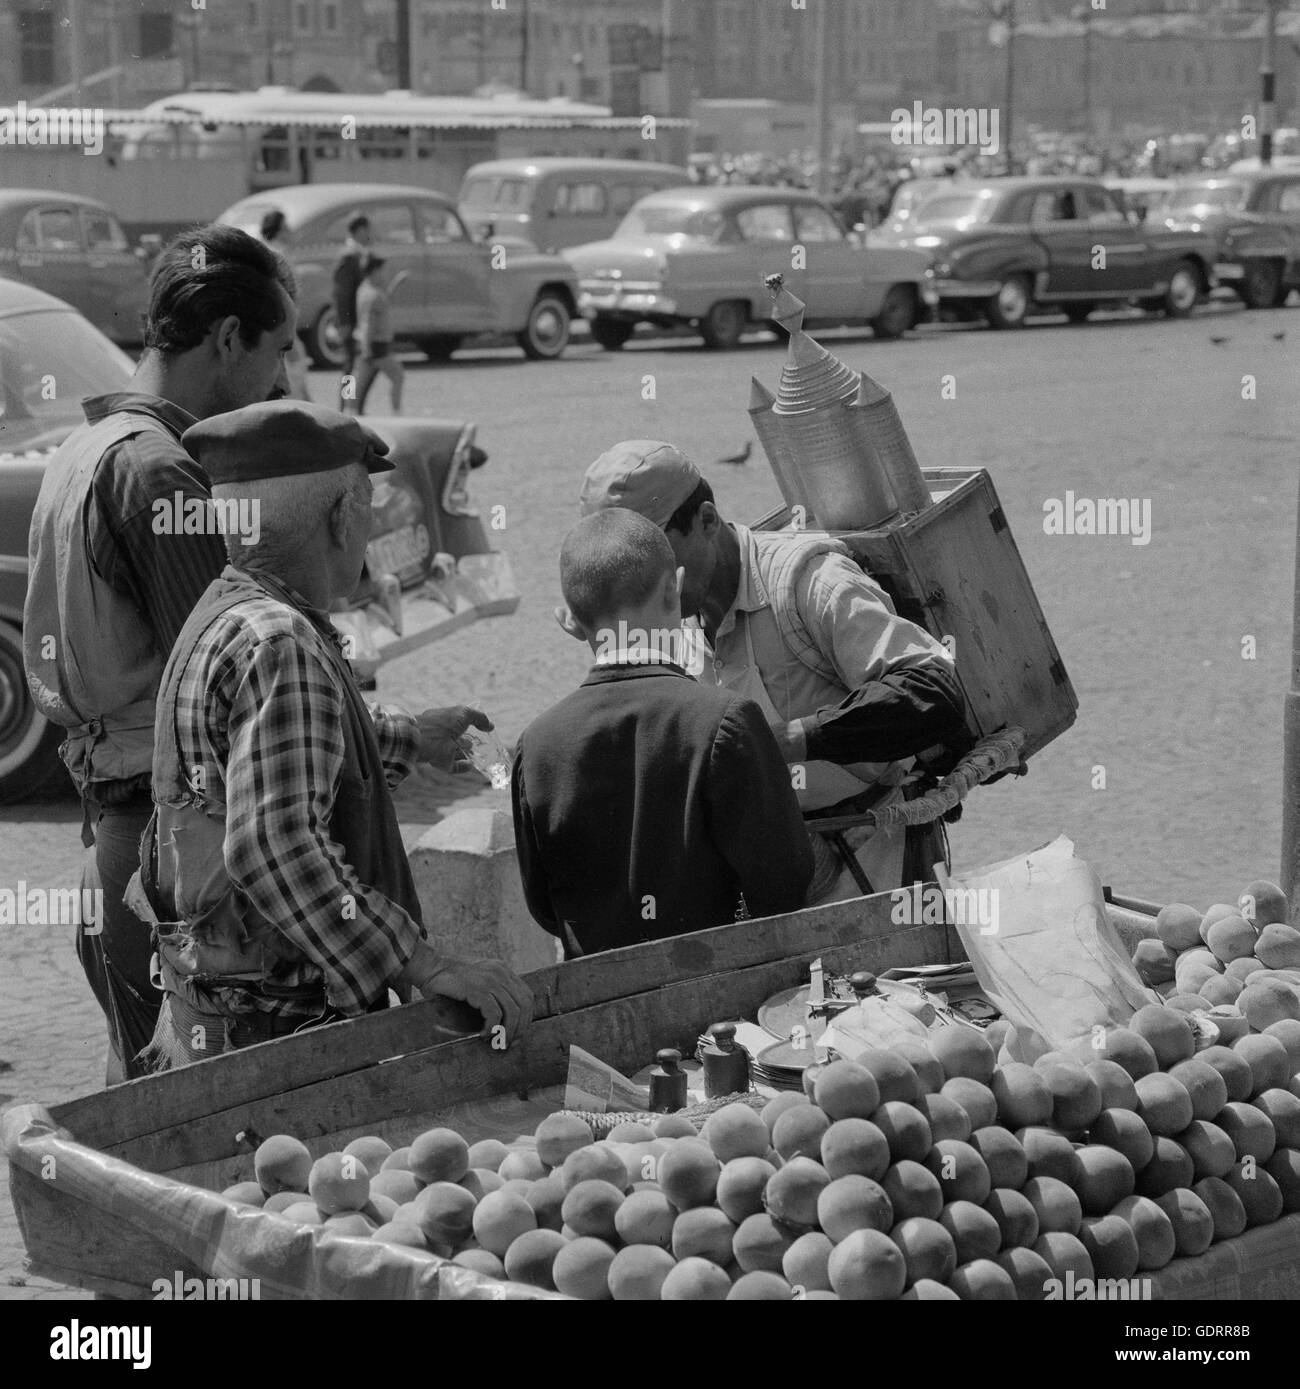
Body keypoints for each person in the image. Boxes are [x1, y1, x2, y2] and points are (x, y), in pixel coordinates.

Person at [129, 400, 533, 1068]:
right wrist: (423, 964)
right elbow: (274, 844)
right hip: (275, 1032)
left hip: (214, 1003)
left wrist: (412, 738)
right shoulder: (280, 639)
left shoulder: (225, 613)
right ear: (343, 516)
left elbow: (274, 759)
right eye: (368, 505)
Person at [23, 225, 299, 1083]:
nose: (284, 378)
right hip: (166, 863)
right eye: (279, 351)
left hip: (114, 845)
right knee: (198, 1119)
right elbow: (224, 687)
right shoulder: (160, 472)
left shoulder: (85, 447)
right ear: (226, 340)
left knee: (141, 1099)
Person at [575, 441, 971, 900]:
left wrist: (787, 741)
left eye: (659, 556)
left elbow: (933, 690)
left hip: (876, 858)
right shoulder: (664, 616)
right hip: (765, 872)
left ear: (706, 520)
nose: (649, 581)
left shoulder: (810, 581)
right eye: (631, 566)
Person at [513, 508, 813, 958]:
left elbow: (544, 907)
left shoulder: (535, 747)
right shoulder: (726, 720)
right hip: (728, 1000)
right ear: (674, 590)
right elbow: (785, 882)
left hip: (598, 1003)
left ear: (570, 623)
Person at [258, 209, 311, 401]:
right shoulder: (279, 254)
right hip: (283, 318)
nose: (290, 230)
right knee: (293, 362)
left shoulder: (264, 250)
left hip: (277, 318)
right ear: (279, 230)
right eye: (286, 226)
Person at [352, 254, 404, 415]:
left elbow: (383, 304)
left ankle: (350, 411)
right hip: (376, 346)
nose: (384, 274)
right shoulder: (372, 295)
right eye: (382, 270)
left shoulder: (366, 289)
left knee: (357, 382)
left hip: (368, 345)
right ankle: (397, 413)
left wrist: (396, 284)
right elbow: (368, 322)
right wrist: (367, 349)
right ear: (374, 271)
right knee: (398, 376)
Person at [331, 212, 371, 409]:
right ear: (359, 230)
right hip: (351, 320)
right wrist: (346, 322)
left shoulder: (357, 253)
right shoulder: (349, 256)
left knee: (354, 365)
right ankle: (345, 406)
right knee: (350, 365)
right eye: (366, 230)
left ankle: (351, 405)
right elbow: (343, 293)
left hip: (356, 319)